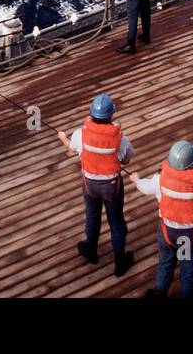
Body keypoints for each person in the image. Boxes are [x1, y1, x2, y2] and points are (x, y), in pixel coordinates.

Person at [55, 93, 135, 277]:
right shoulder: (120, 140)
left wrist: (62, 138)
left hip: (90, 184)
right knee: (116, 222)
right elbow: (127, 159)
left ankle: (90, 249)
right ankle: (120, 261)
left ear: (91, 115)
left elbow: (71, 148)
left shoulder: (80, 134)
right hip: (112, 186)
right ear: (111, 116)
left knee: (92, 216)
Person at [131, 140, 193, 299]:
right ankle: (187, 292)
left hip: (167, 232)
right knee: (188, 264)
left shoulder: (159, 180)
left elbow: (146, 187)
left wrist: (137, 180)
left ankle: (160, 291)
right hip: (187, 235)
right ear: (192, 164)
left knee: (166, 261)